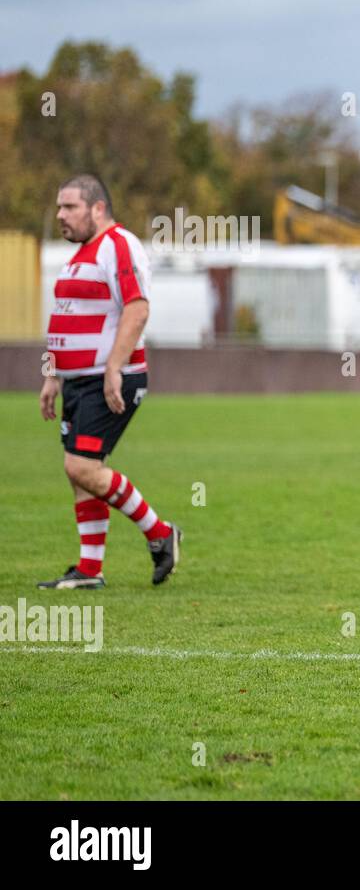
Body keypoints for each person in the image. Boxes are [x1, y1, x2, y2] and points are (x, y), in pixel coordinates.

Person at [38, 174, 181, 589]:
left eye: (70, 207)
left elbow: (137, 308)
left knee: (80, 465)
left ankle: (160, 533)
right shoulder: (82, 253)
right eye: (60, 207)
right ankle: (90, 569)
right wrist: (52, 376)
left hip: (111, 379)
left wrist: (114, 368)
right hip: (78, 380)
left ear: (97, 208)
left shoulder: (119, 244)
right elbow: (64, 317)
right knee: (82, 471)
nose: (61, 215)